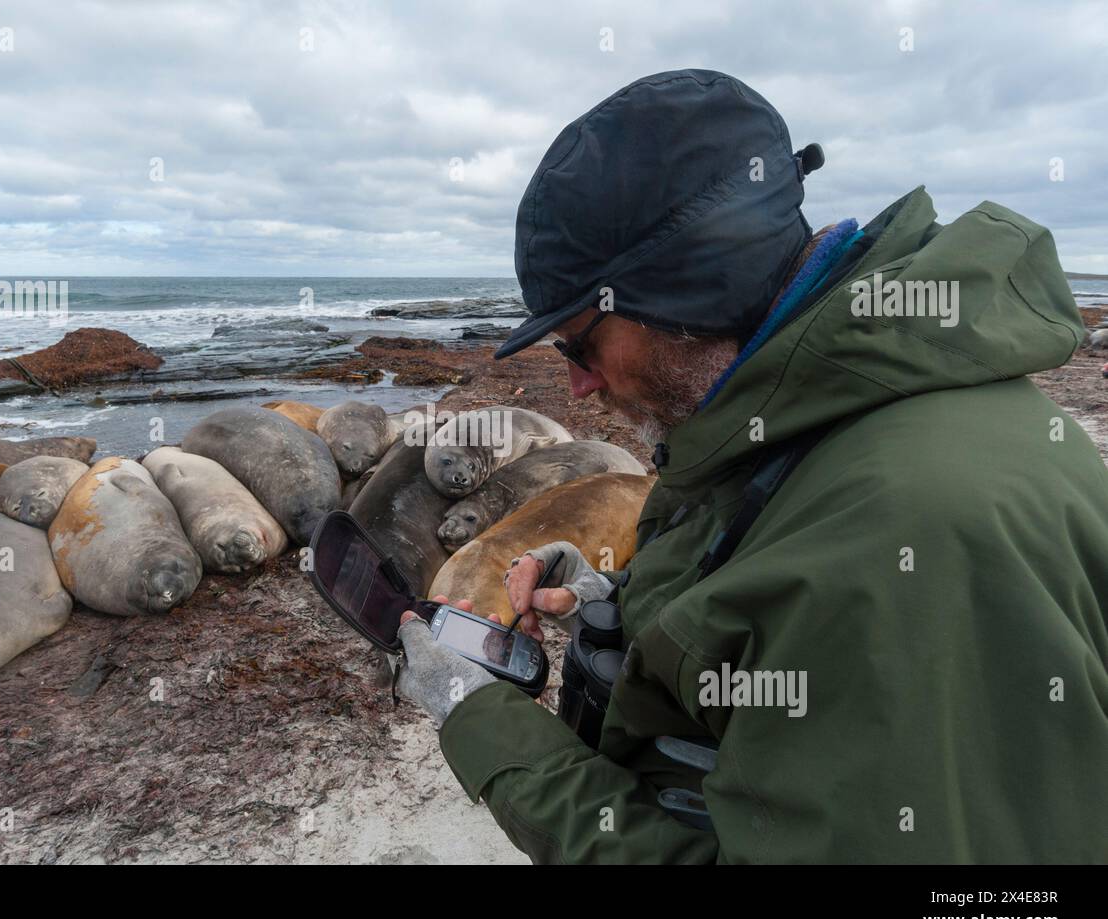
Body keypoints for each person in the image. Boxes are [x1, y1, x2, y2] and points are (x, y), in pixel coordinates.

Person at [393, 69, 1108, 863]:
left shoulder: (899, 543)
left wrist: (490, 731)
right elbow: (784, 566)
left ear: (690, 283)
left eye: (583, 342)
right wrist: (626, 604)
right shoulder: (837, 410)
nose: (578, 383)